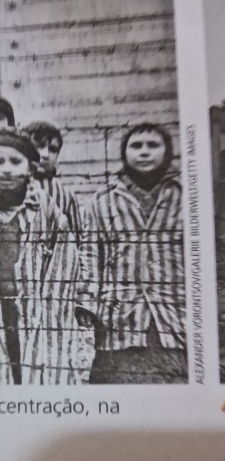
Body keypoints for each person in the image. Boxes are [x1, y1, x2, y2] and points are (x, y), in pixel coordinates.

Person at [0, 128, 83, 385]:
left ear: (30, 168)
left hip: (38, 312)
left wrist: (51, 313)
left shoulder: (48, 212)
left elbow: (64, 265)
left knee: (37, 372)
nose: (7, 170)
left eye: (15, 162)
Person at [77, 123, 187, 384]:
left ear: (168, 152)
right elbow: (91, 254)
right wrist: (88, 303)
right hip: (119, 321)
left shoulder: (184, 198)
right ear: (124, 153)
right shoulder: (103, 201)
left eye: (153, 145)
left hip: (175, 319)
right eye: (136, 146)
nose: (144, 152)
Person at [23, 121, 82, 243]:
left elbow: (76, 241)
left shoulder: (66, 196)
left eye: (53, 149)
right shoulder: (8, 186)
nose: (45, 155)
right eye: (38, 146)